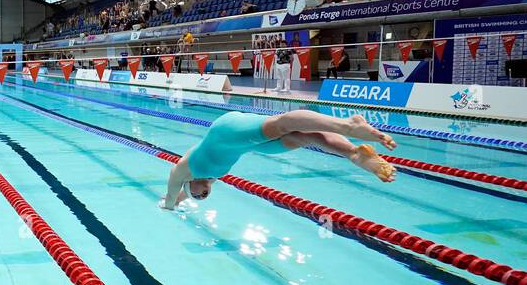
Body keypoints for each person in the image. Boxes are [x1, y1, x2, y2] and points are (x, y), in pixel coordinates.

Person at [162, 110, 396, 209]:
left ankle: (347, 125)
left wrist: (169, 206)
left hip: (225, 131)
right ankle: (353, 153)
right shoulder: (210, 178)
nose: (204, 193)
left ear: (188, 183)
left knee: (282, 124)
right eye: (204, 196)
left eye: (198, 194)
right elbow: (185, 195)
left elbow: (173, 195)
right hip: (245, 146)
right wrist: (185, 199)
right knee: (303, 138)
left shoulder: (183, 170)